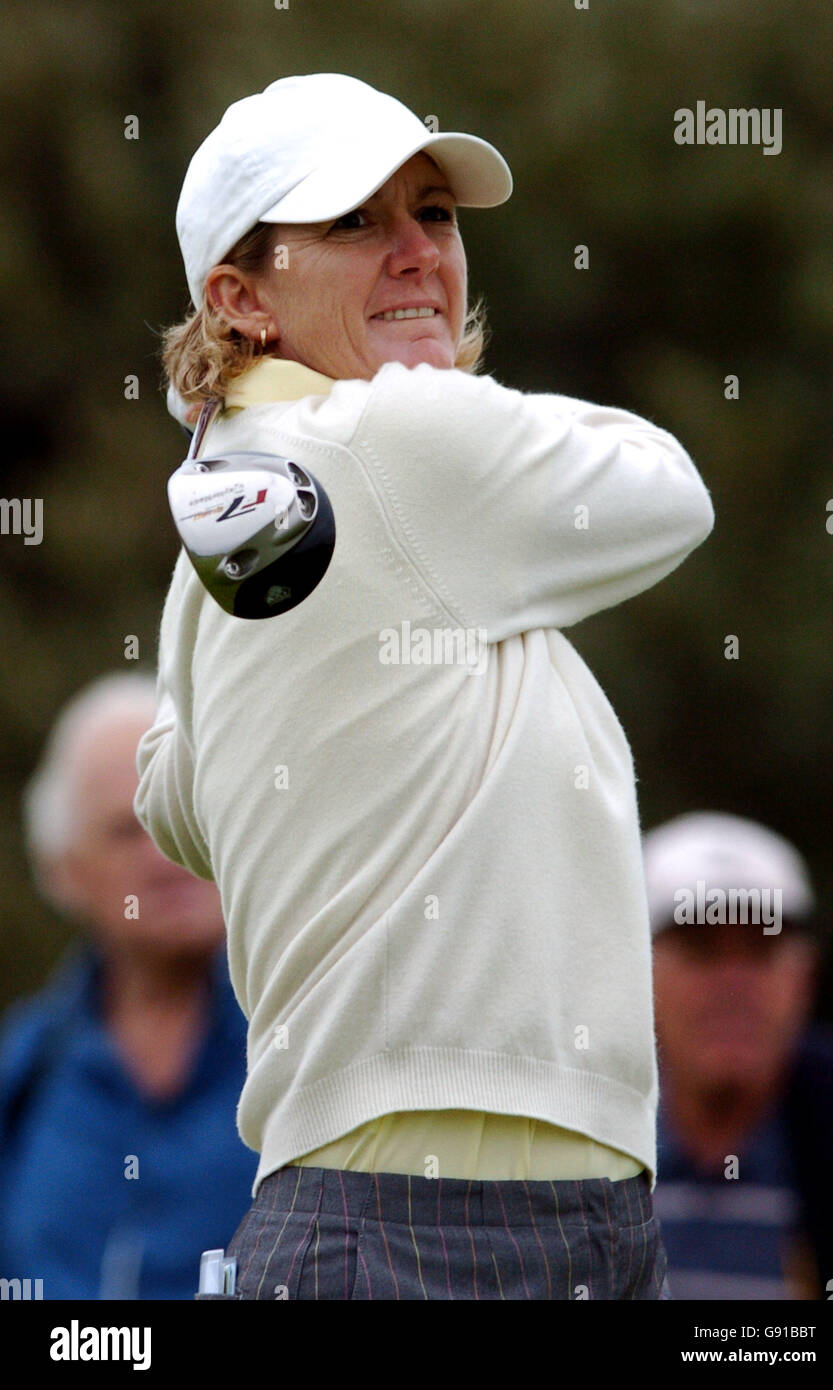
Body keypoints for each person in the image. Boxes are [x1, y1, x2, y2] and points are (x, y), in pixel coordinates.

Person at [135, 73, 714, 1301]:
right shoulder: (389, 443)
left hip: (502, 1210)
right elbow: (668, 487)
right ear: (239, 297)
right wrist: (433, 394)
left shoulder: (239, 523)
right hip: (425, 1221)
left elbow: (171, 795)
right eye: (354, 220)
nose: (417, 252)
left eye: (433, 214)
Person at [0, 673, 257, 1300]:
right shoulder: (23, 1074)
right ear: (63, 870)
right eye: (127, 829)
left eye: (181, 817)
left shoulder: (308, 1050)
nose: (165, 855)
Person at [645, 811, 833, 1299]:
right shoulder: (572, 1161)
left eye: (760, 952)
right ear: (638, 973)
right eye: (702, 951)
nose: (734, 984)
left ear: (804, 978)